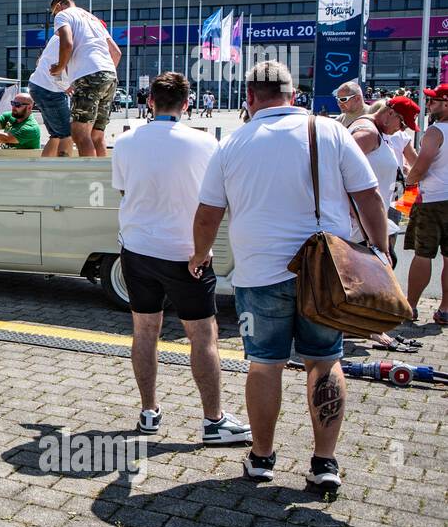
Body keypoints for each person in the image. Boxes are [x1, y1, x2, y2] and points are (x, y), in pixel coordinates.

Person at [191, 61, 388, 496]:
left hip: (259, 274)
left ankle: (261, 459)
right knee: (324, 359)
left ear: (250, 98)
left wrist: (200, 255)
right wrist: (381, 251)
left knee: (265, 364)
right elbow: (369, 195)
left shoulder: (233, 143)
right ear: (294, 94)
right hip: (326, 274)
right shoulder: (330, 131)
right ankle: (324, 463)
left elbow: (208, 214)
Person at [111, 72, 251, 444]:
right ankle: (213, 421)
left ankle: (148, 413)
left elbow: (124, 189)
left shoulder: (124, 143)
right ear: (188, 104)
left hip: (137, 249)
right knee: (202, 336)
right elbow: (214, 199)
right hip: (187, 253)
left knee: (144, 331)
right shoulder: (207, 143)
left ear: (149, 101)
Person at [348, 96, 421, 351]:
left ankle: (368, 326)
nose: (402, 129)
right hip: (358, 219)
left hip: (369, 216)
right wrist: (351, 209)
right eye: (402, 123)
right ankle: (372, 328)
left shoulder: (379, 132)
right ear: (389, 112)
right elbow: (336, 167)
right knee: (372, 273)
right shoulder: (367, 132)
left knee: (372, 271)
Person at [48, 0, 122, 157]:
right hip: (110, 74)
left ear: (59, 6)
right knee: (97, 135)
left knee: (80, 133)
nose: (55, 15)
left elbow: (67, 43)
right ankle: (102, 179)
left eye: (54, 12)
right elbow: (116, 53)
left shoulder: (63, 15)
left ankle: (89, 180)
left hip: (88, 75)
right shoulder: (93, 19)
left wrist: (59, 67)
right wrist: (103, 74)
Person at [404, 84, 448, 323]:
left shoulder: (435, 131)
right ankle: (445, 309)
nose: (428, 105)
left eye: (433, 101)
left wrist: (409, 180)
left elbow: (421, 167)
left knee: (423, 254)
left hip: (432, 200)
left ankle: (410, 307)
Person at [28, 35, 72, 157]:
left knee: (56, 135)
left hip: (37, 85)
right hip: (50, 89)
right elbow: (57, 66)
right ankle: (64, 173)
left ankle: (44, 168)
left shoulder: (56, 37)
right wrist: (66, 85)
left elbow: (40, 61)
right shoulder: (72, 40)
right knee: (67, 133)